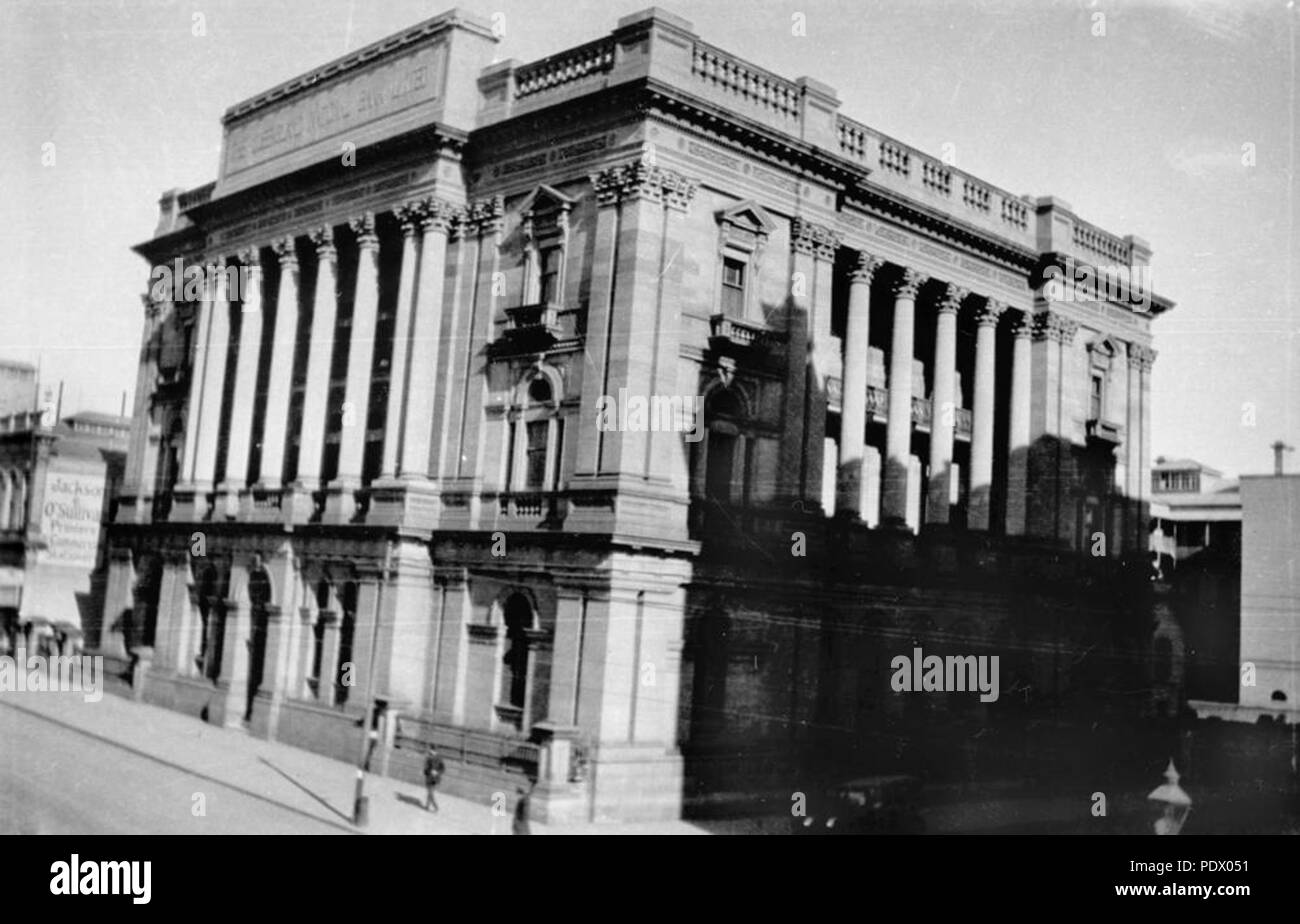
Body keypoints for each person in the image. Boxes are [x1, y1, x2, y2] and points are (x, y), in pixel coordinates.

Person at [423, 746, 445, 813]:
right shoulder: (428, 758)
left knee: (430, 793)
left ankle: (435, 807)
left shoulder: (440, 759)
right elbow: (425, 770)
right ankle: (428, 806)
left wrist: (437, 772)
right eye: (432, 751)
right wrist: (430, 771)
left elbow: (443, 769)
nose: (432, 752)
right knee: (430, 792)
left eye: (434, 751)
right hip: (429, 777)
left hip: (435, 779)